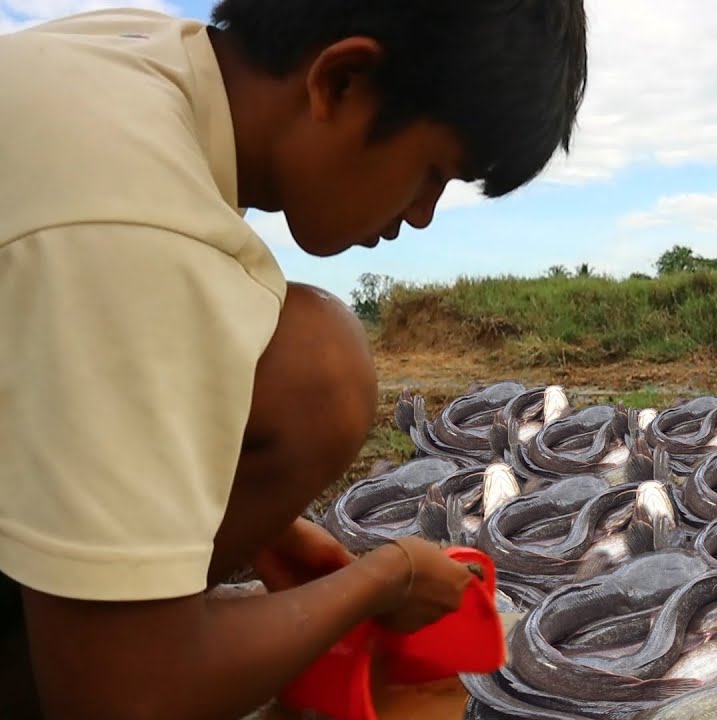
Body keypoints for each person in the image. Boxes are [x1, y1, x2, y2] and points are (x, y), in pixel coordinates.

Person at [0, 0, 588, 717]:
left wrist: (269, 529)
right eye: (433, 171)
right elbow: (124, 699)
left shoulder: (132, 63)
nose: (423, 213)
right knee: (319, 370)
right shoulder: (134, 230)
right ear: (339, 81)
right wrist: (384, 579)